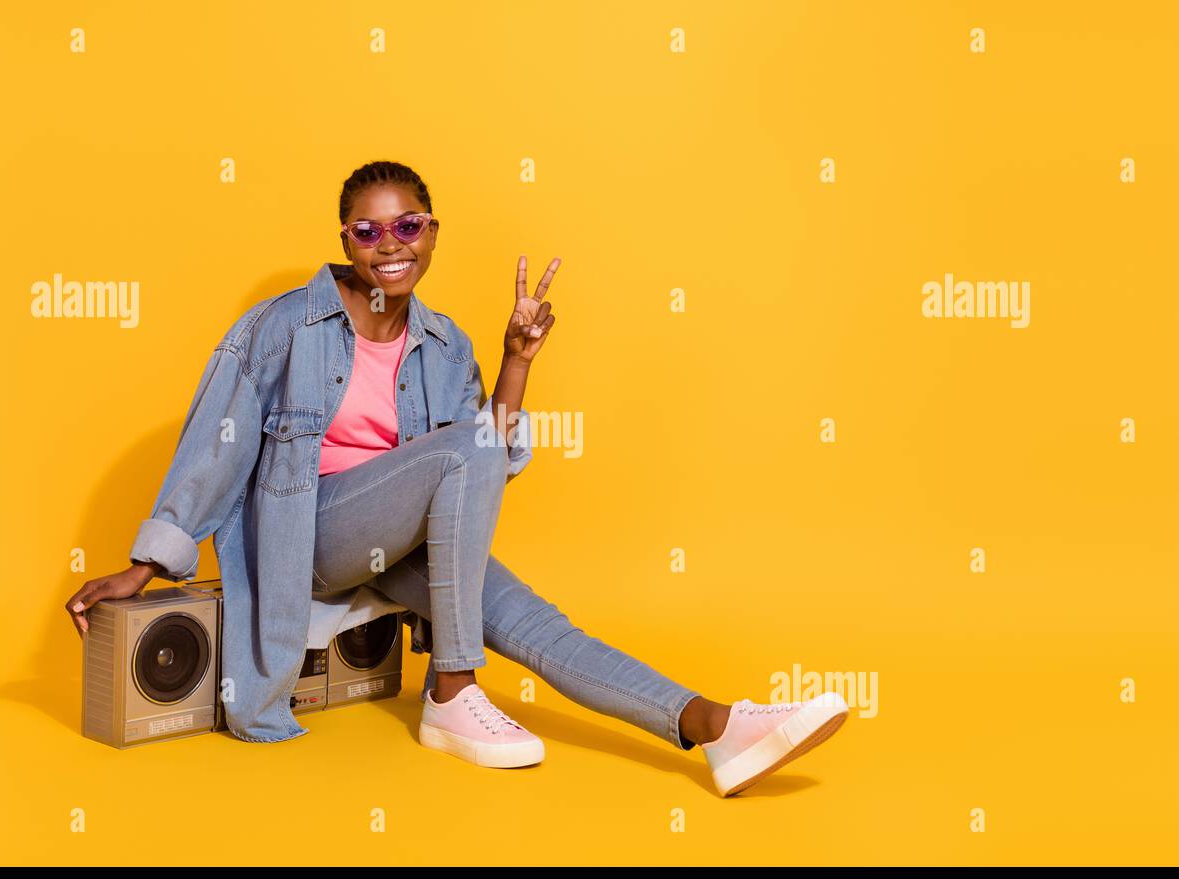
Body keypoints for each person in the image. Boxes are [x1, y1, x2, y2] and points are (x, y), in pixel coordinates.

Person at [64, 160, 848, 796]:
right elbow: (218, 437)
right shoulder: (285, 325)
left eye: (408, 226)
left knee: (541, 625)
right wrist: (146, 564)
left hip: (395, 540)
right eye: (369, 231)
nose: (390, 245)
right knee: (464, 448)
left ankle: (713, 727)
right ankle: (452, 690)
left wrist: (515, 362)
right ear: (346, 237)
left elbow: (491, 463)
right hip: (308, 540)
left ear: (432, 232)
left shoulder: (444, 344)